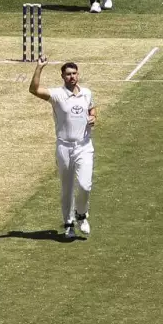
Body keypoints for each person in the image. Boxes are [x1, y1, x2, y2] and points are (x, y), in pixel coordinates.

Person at [29, 58, 97, 239]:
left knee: (85, 185)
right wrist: (39, 68)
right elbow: (34, 90)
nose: (72, 77)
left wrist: (93, 118)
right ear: (62, 76)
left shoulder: (87, 93)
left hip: (84, 146)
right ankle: (69, 224)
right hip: (64, 147)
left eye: (74, 73)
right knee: (67, 188)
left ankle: (81, 214)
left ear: (78, 74)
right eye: (68, 74)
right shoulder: (57, 95)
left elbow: (92, 110)